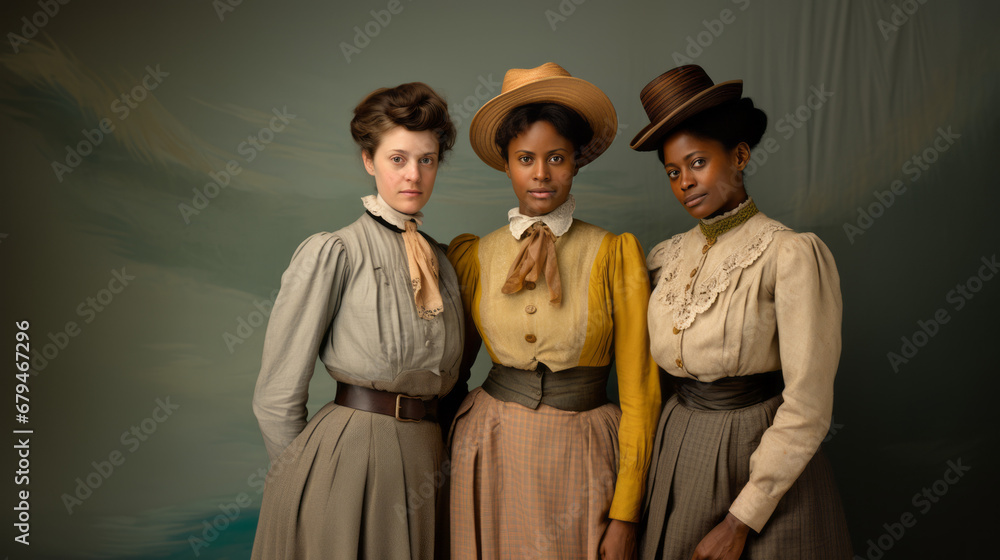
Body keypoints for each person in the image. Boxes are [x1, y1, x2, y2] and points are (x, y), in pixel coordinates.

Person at [629, 65, 852, 559]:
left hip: (757, 459)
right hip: (675, 451)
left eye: (697, 163)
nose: (685, 182)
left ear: (740, 155)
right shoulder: (664, 258)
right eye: (672, 172)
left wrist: (741, 518)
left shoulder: (789, 254)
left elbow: (809, 406)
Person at [447, 62, 661, 560]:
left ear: (577, 162)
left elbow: (641, 393)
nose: (541, 174)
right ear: (506, 163)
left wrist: (626, 512)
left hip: (582, 455)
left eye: (557, 158)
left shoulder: (613, 254)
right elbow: (452, 373)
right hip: (488, 450)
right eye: (525, 158)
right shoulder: (476, 257)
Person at [250, 82, 463, 559]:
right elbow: (276, 395)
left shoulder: (444, 265)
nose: (413, 174)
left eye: (426, 159)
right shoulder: (335, 252)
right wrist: (306, 482)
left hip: (429, 461)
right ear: (369, 161)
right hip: (347, 468)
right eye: (397, 158)